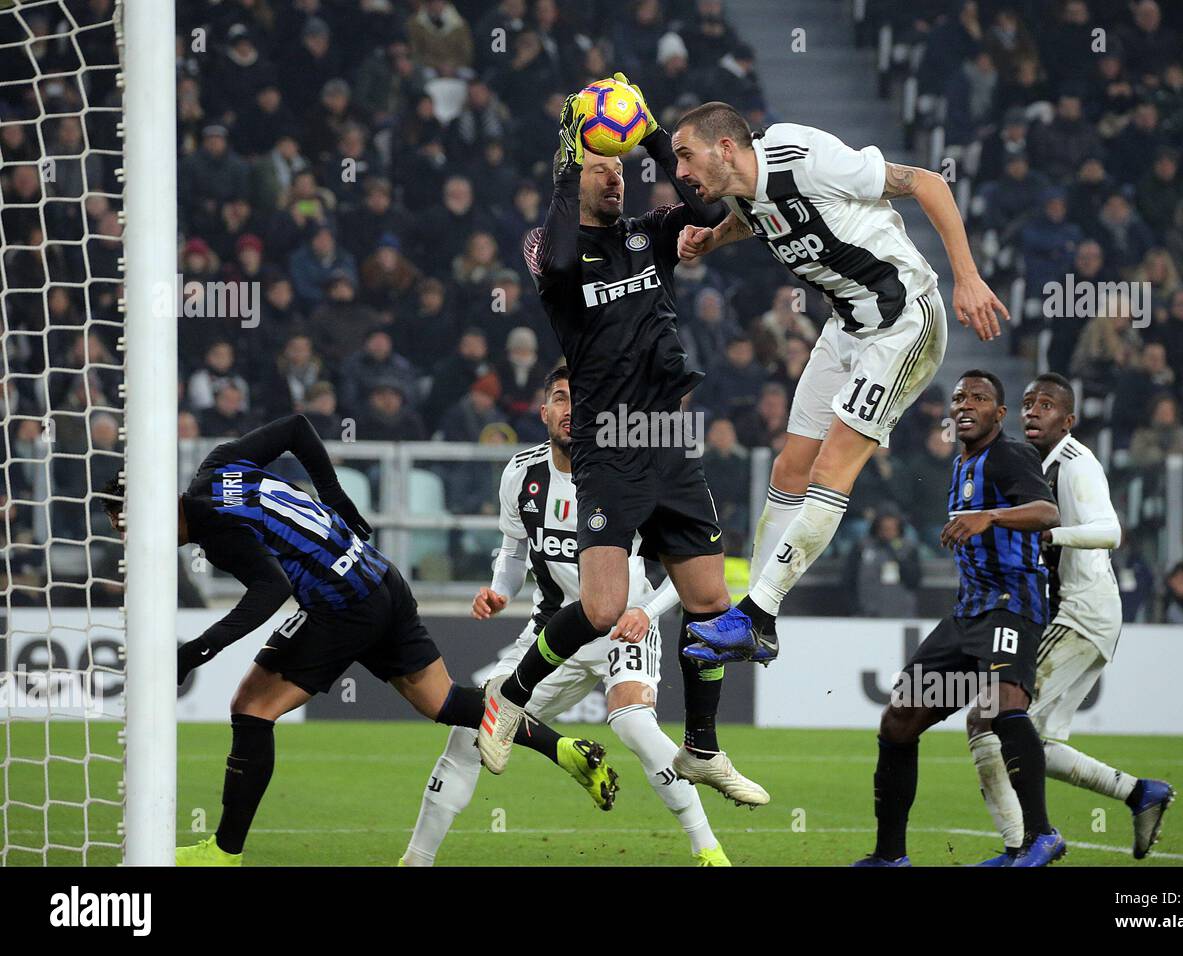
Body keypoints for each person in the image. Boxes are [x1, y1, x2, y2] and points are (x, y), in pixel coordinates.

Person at [102, 415, 617, 865]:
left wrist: (193, 653)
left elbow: (270, 590)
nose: (126, 537)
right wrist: (334, 494)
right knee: (446, 702)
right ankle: (566, 749)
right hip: (381, 579)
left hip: (341, 605)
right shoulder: (216, 466)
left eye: (124, 523)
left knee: (251, 707)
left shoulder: (217, 532)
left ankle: (222, 853)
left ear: (150, 507)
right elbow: (296, 428)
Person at [478, 76, 768, 806]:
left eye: (622, 171)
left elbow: (708, 204)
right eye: (602, 170)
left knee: (710, 601)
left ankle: (702, 747)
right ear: (577, 175)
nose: (617, 179)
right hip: (608, 444)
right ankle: (510, 696)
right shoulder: (551, 249)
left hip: (667, 437)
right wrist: (577, 156)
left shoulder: (650, 234)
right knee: (603, 610)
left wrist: (645, 136)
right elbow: (562, 264)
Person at [666, 101, 1007, 665]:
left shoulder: (803, 156)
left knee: (830, 468)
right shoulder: (742, 192)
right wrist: (713, 239)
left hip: (902, 323)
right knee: (788, 469)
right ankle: (753, 614)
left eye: (685, 155)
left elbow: (924, 183)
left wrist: (967, 278)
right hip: (845, 325)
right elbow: (757, 220)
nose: (678, 171)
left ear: (725, 148)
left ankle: (759, 613)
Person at [404, 369, 730, 866]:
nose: (570, 409)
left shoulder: (630, 472)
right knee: (472, 732)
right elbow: (514, 551)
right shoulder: (520, 474)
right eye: (560, 398)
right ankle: (416, 860)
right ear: (545, 412)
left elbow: (687, 574)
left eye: (581, 399)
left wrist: (646, 609)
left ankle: (707, 850)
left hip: (624, 624)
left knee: (634, 726)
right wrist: (498, 590)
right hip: (554, 631)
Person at [856, 371, 1063, 867]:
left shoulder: (1011, 455)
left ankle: (1041, 836)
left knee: (1006, 705)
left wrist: (988, 517)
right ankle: (890, 857)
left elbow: (1047, 512)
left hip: (1012, 602)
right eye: (958, 398)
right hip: (970, 609)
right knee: (900, 719)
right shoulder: (962, 463)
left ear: (999, 413)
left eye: (979, 397)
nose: (965, 405)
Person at [967, 373, 1175, 865]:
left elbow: (1110, 531)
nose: (1033, 412)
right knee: (1034, 738)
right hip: (1083, 614)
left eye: (1046, 405)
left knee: (988, 717)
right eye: (1027, 403)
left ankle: (1022, 845)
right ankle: (1140, 792)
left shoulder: (1076, 465)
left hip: (1083, 611)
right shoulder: (1038, 466)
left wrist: (1053, 538)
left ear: (1069, 419)